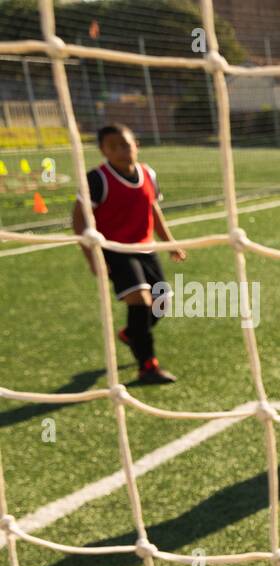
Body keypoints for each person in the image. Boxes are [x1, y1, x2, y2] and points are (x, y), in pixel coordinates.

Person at [72, 123, 185, 386]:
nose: (121, 151)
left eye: (125, 144)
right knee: (141, 302)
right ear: (103, 151)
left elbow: (153, 209)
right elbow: (79, 220)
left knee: (162, 303)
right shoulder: (97, 180)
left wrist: (170, 243)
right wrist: (93, 257)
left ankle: (131, 333)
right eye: (113, 147)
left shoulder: (148, 173)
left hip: (146, 248)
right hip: (116, 250)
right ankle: (148, 367)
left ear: (136, 145)